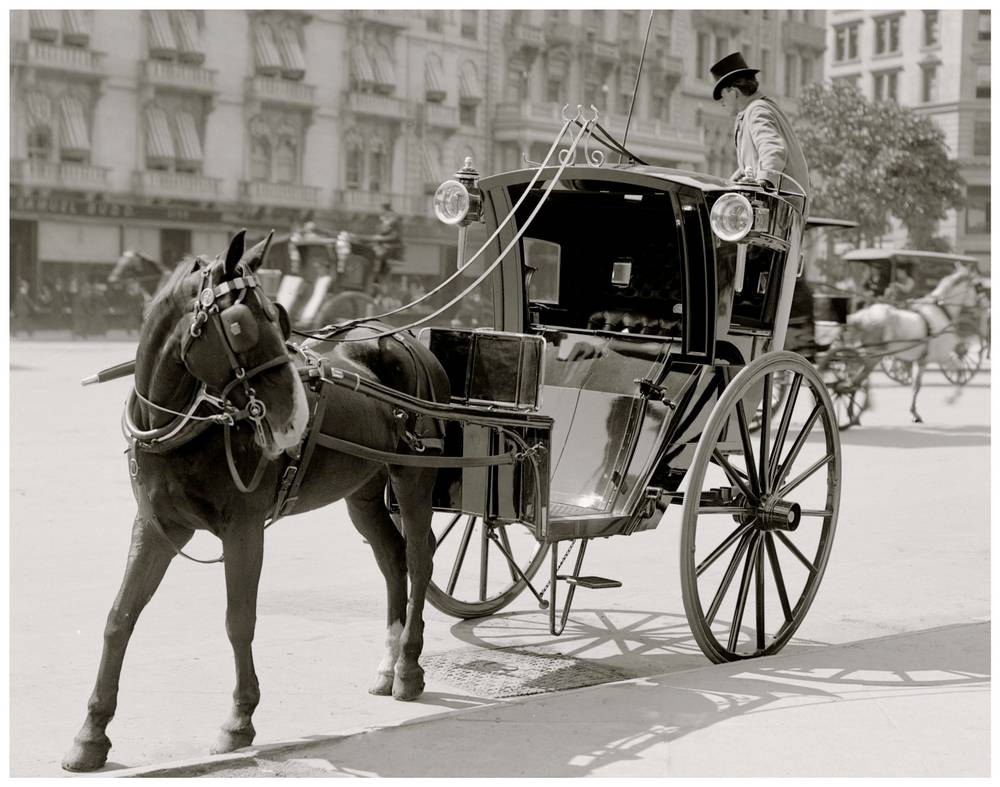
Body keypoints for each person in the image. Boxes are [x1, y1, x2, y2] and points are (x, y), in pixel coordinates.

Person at [711, 52, 810, 203]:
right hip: (784, 207)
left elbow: (773, 150)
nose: (723, 103)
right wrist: (735, 180)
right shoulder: (758, 108)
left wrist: (763, 183)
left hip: (780, 209)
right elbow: (757, 161)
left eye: (723, 96)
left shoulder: (757, 110)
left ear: (733, 92)